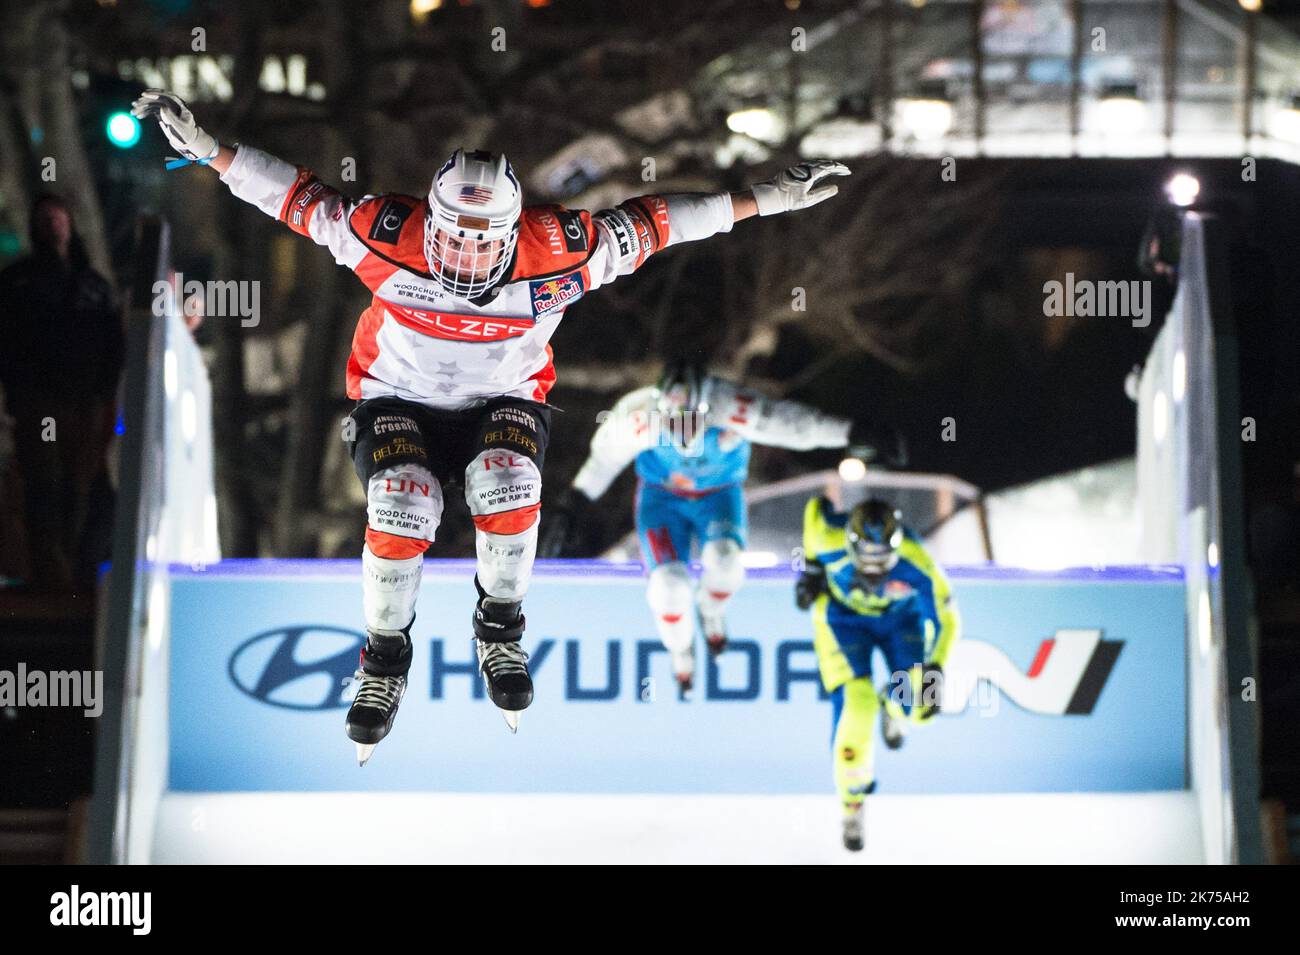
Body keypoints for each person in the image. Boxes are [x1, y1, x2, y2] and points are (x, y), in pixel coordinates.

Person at [131, 88, 851, 764]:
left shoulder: (565, 248)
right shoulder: (385, 233)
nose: (466, 257)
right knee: (403, 501)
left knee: (506, 482)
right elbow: (295, 198)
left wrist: (767, 198)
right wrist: (211, 150)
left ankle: (500, 629)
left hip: (502, 399)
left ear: (515, 231)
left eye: (484, 241)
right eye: (454, 238)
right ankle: (383, 657)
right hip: (395, 397)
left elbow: (663, 222)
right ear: (429, 221)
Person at [543, 361, 898, 697]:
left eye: (692, 424)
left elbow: (793, 425)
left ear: (707, 409)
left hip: (718, 496)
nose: (684, 436)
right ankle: (681, 650)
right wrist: (572, 503)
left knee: (726, 563)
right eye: (674, 426)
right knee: (669, 586)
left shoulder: (732, 405)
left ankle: (711, 610)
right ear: (660, 412)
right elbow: (604, 461)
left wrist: (850, 431)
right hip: (662, 499)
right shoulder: (637, 415)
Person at [795, 497, 960, 852]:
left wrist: (936, 666)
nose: (873, 569)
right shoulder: (827, 539)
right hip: (842, 622)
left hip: (902, 623)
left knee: (923, 709)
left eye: (883, 560)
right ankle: (851, 802)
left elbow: (948, 619)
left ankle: (896, 707)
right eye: (866, 558)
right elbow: (815, 509)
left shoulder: (919, 561)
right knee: (857, 706)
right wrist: (809, 569)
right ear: (850, 544)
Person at [0, 194, 122, 593]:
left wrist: (104, 395)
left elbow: (113, 344)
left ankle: (76, 575)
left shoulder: (92, 286)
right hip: (41, 404)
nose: (54, 226)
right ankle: (50, 578)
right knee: (45, 485)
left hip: (87, 405)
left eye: (58, 218)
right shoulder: (18, 283)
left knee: (83, 488)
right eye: (45, 219)